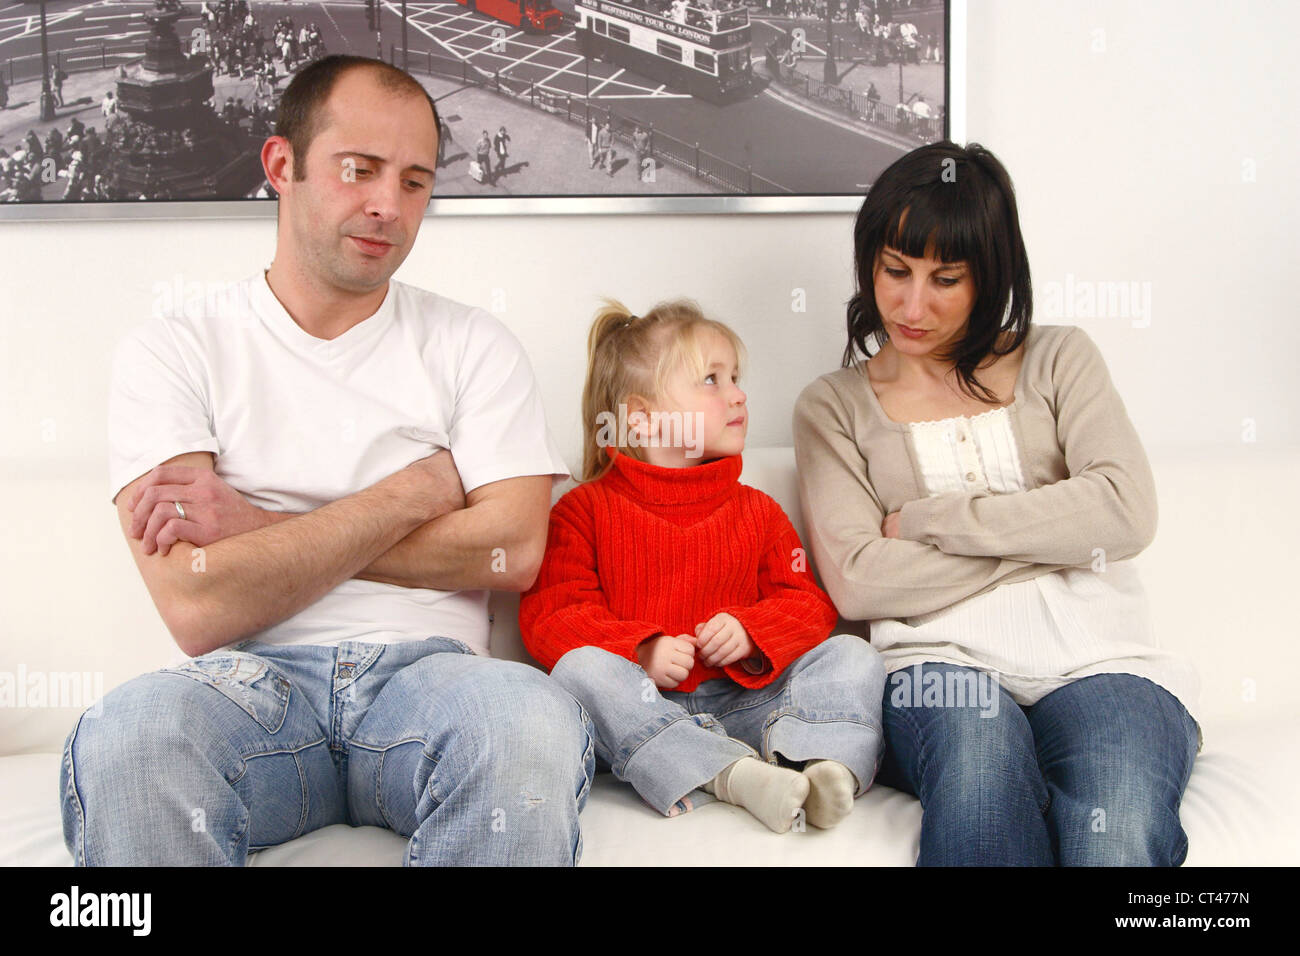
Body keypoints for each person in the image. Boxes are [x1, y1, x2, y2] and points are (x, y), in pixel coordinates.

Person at [58, 54, 593, 867]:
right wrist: (419, 490)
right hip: (243, 686)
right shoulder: (173, 350)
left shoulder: (474, 344)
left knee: (526, 721)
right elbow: (198, 607)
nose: (389, 205)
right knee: (126, 740)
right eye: (359, 170)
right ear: (282, 167)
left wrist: (259, 527)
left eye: (415, 181)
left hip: (434, 682)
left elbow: (510, 551)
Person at [792, 141, 1202, 866]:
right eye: (895, 271)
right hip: (936, 662)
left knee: (1119, 825)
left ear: (991, 274)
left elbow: (1126, 513)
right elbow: (859, 579)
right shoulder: (833, 406)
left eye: (944, 279)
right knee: (981, 789)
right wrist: (1051, 533)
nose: (911, 305)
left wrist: (935, 521)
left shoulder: (1060, 358)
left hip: (1103, 660)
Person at [520, 300, 885, 833]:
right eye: (711, 381)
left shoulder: (757, 510)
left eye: (735, 378)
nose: (738, 394)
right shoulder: (583, 511)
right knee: (579, 670)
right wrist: (640, 650)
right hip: (643, 715)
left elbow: (806, 602)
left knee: (851, 654)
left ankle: (819, 765)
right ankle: (733, 777)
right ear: (643, 418)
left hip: (748, 707)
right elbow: (553, 616)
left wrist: (752, 632)